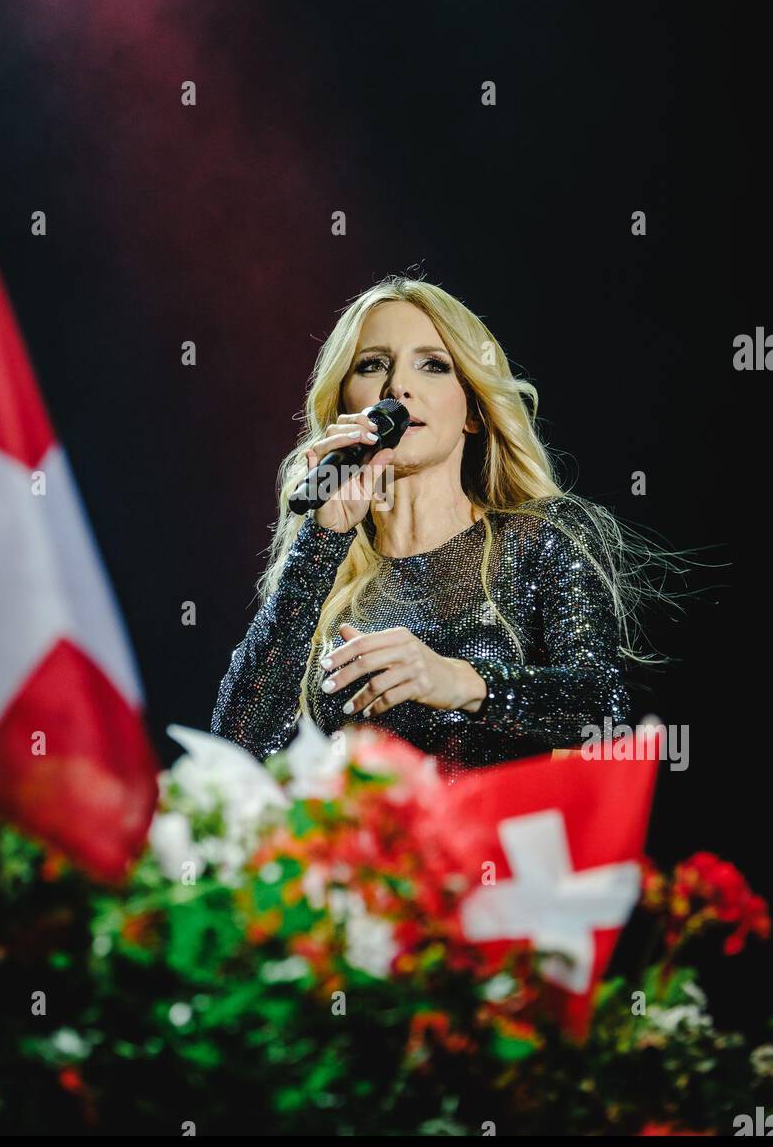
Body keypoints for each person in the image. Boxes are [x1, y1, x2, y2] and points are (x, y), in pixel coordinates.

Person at [211, 276, 661, 782]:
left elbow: (604, 713)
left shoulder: (541, 538)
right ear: (344, 405)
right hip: (374, 858)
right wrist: (320, 541)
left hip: (499, 853)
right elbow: (235, 752)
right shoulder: (328, 576)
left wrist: (459, 680)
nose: (397, 387)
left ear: (472, 410)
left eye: (432, 365)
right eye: (372, 364)